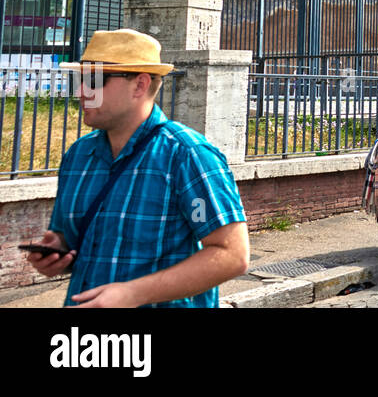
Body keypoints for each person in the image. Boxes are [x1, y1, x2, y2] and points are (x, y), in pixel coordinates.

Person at [25, 29, 249, 307]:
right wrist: (57, 251)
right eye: (80, 79)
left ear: (140, 85)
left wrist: (133, 293)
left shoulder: (187, 155)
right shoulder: (78, 156)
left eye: (95, 80)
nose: (82, 91)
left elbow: (232, 256)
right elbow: (71, 238)